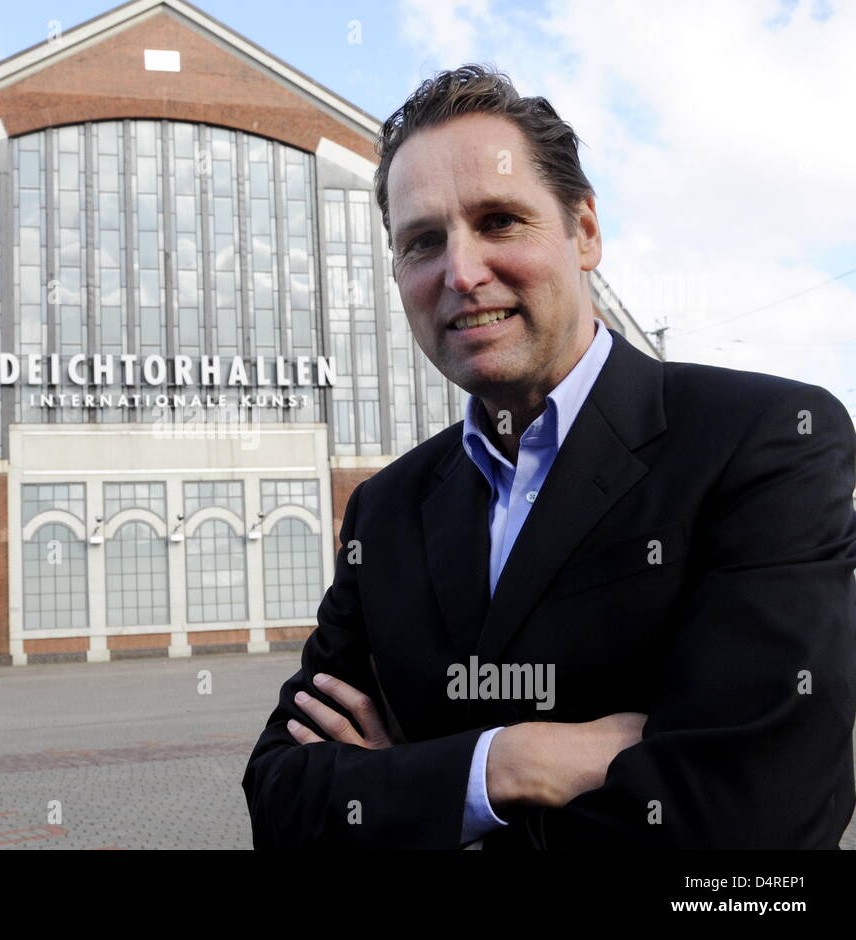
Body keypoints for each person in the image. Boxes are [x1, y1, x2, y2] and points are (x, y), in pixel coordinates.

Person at [240, 64, 856, 849]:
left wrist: (414, 790)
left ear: (585, 232)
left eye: (498, 221)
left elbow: (755, 823)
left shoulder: (763, 440)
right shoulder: (387, 509)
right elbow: (281, 799)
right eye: (422, 241)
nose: (461, 273)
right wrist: (506, 763)